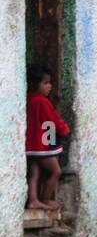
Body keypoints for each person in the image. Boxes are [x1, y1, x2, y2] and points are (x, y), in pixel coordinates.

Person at [25, 64, 69, 210]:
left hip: (30, 147)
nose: (49, 86)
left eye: (50, 82)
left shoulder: (27, 100)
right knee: (56, 171)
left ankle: (33, 200)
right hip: (41, 147)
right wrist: (63, 130)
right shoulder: (42, 102)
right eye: (45, 83)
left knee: (34, 174)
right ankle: (45, 199)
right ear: (34, 84)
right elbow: (51, 123)